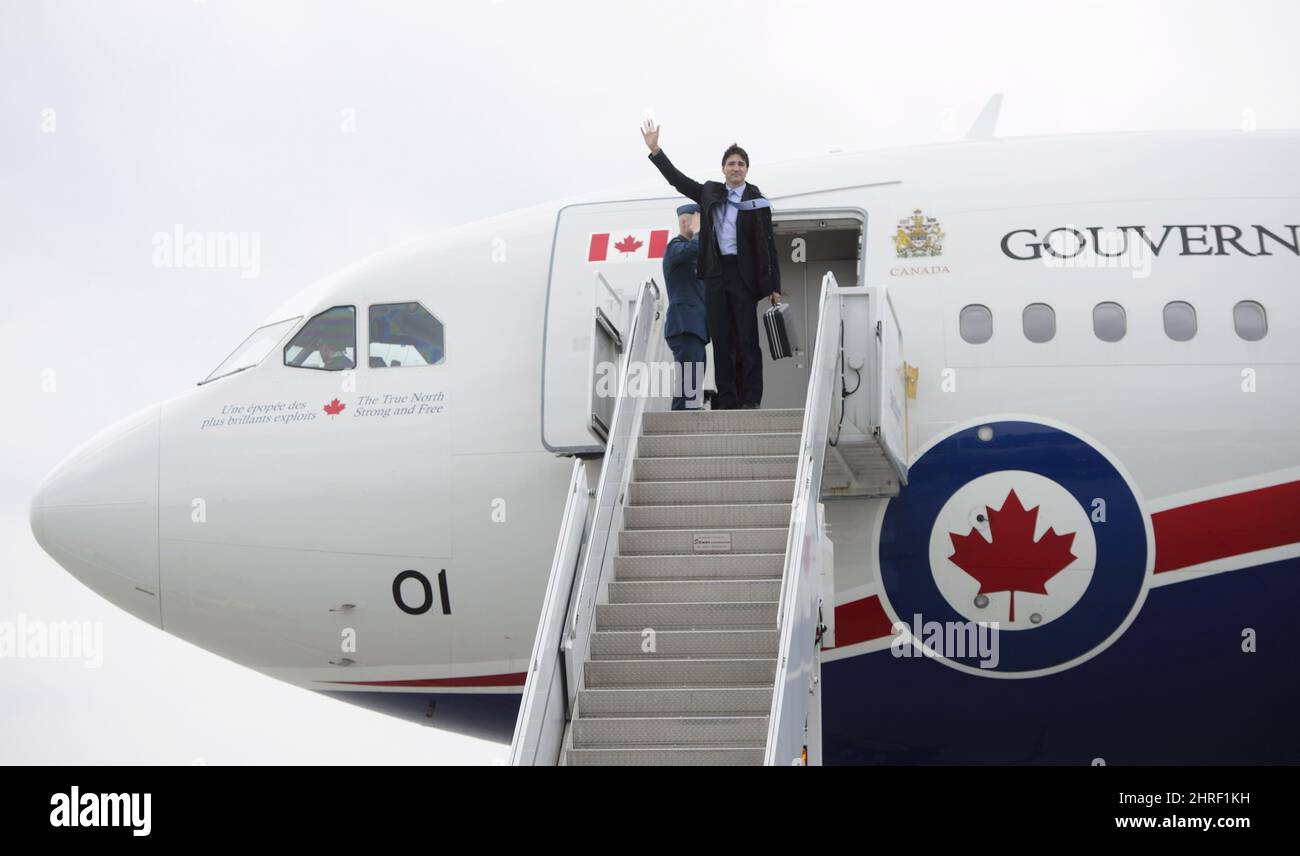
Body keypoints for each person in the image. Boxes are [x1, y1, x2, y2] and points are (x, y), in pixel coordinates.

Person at [642, 120, 781, 409]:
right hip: (716, 275)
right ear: (723, 168)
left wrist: (773, 285)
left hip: (743, 276)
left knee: (747, 338)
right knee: (722, 338)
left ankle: (751, 398)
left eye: (741, 163)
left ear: (747, 169)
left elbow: (768, 245)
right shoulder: (710, 192)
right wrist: (656, 150)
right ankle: (728, 398)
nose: (736, 167)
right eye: (731, 163)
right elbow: (678, 181)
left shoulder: (757, 200)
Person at [662, 203, 708, 410]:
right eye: (700, 221)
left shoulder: (693, 252)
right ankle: (678, 424)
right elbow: (694, 248)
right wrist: (698, 233)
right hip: (684, 325)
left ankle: (687, 416)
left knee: (693, 383)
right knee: (687, 384)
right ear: (684, 222)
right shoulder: (675, 247)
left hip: (696, 328)